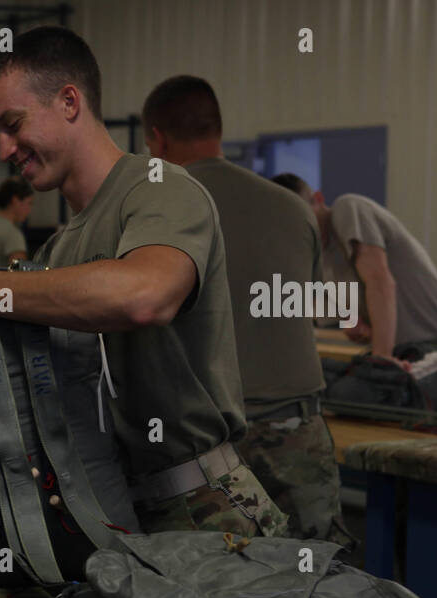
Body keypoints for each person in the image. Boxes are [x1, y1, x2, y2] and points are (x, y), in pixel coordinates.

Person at [0, 26, 286, 538]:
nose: (4, 150)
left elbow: (145, 295)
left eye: (13, 124)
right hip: (118, 510)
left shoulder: (161, 189)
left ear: (69, 101)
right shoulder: (58, 250)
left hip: (205, 510)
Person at [141, 76, 348, 544]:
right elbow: (305, 306)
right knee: (323, 583)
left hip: (211, 448)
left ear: (157, 137)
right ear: (217, 126)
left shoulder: (155, 207)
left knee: (226, 591)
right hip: (299, 431)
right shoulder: (293, 208)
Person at [274, 173, 437, 412]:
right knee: (316, 381)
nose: (297, 228)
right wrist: (359, 325)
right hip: (407, 356)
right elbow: (349, 316)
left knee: (354, 394)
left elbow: (380, 281)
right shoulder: (320, 254)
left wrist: (381, 359)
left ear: (319, 199)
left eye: (300, 217)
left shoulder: (349, 209)